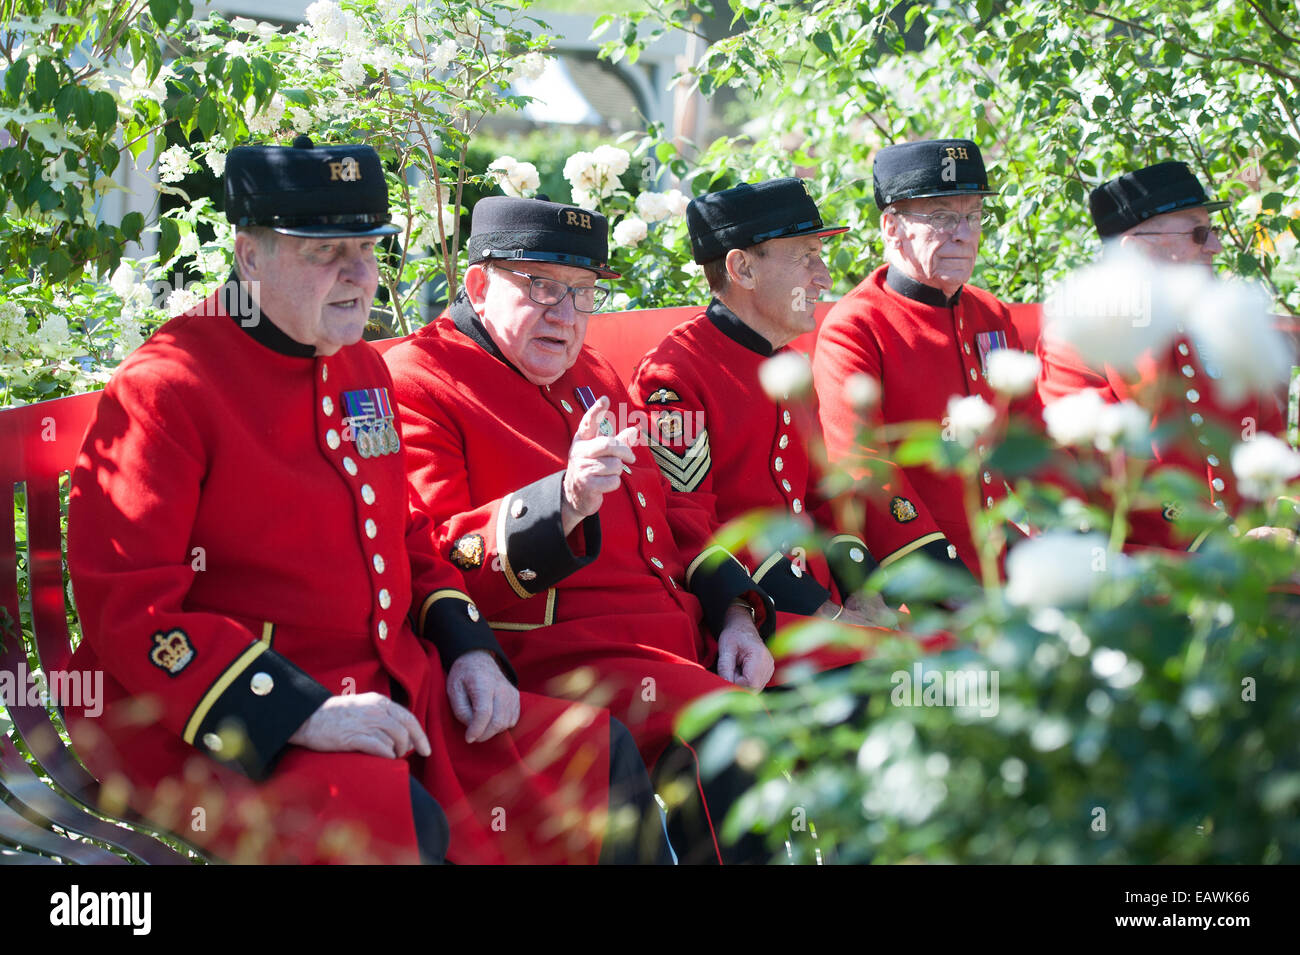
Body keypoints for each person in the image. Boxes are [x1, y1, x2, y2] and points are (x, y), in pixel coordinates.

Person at [63, 137, 666, 865]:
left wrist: (468, 648)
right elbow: (129, 609)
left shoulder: (357, 368)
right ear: (249, 256)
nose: (359, 275)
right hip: (217, 720)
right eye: (325, 252)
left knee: (597, 760)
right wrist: (297, 712)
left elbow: (404, 535)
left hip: (390, 686)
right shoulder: (169, 383)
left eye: (369, 247)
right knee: (403, 826)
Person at [385, 196, 781, 863]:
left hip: (682, 641)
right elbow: (438, 555)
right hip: (561, 657)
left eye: (583, 292)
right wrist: (563, 503)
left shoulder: (592, 372)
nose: (566, 315)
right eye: (541, 287)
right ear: (478, 285)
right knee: (724, 728)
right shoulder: (419, 379)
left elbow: (671, 515)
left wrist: (737, 613)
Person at [630, 178, 895, 646]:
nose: (824, 278)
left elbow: (820, 496)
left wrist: (862, 590)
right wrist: (822, 613)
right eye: (805, 257)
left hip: (822, 601)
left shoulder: (788, 363)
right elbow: (689, 525)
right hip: (754, 617)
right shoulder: (673, 376)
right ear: (742, 269)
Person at [812, 139, 1041, 578]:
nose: (964, 233)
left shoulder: (989, 314)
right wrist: (946, 582)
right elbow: (864, 468)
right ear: (891, 228)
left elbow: (1033, 438)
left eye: (973, 216)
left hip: (1004, 559)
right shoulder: (857, 326)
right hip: (920, 573)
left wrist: (1072, 528)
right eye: (941, 217)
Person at [1037, 160, 1289, 550]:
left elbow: (1270, 443)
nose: (1216, 246)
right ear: (1137, 249)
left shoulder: (1216, 325)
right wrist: (1225, 542)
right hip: (1156, 565)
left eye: (1213, 231)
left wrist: (1285, 523)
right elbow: (1104, 472)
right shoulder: (1080, 340)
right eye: (1199, 233)